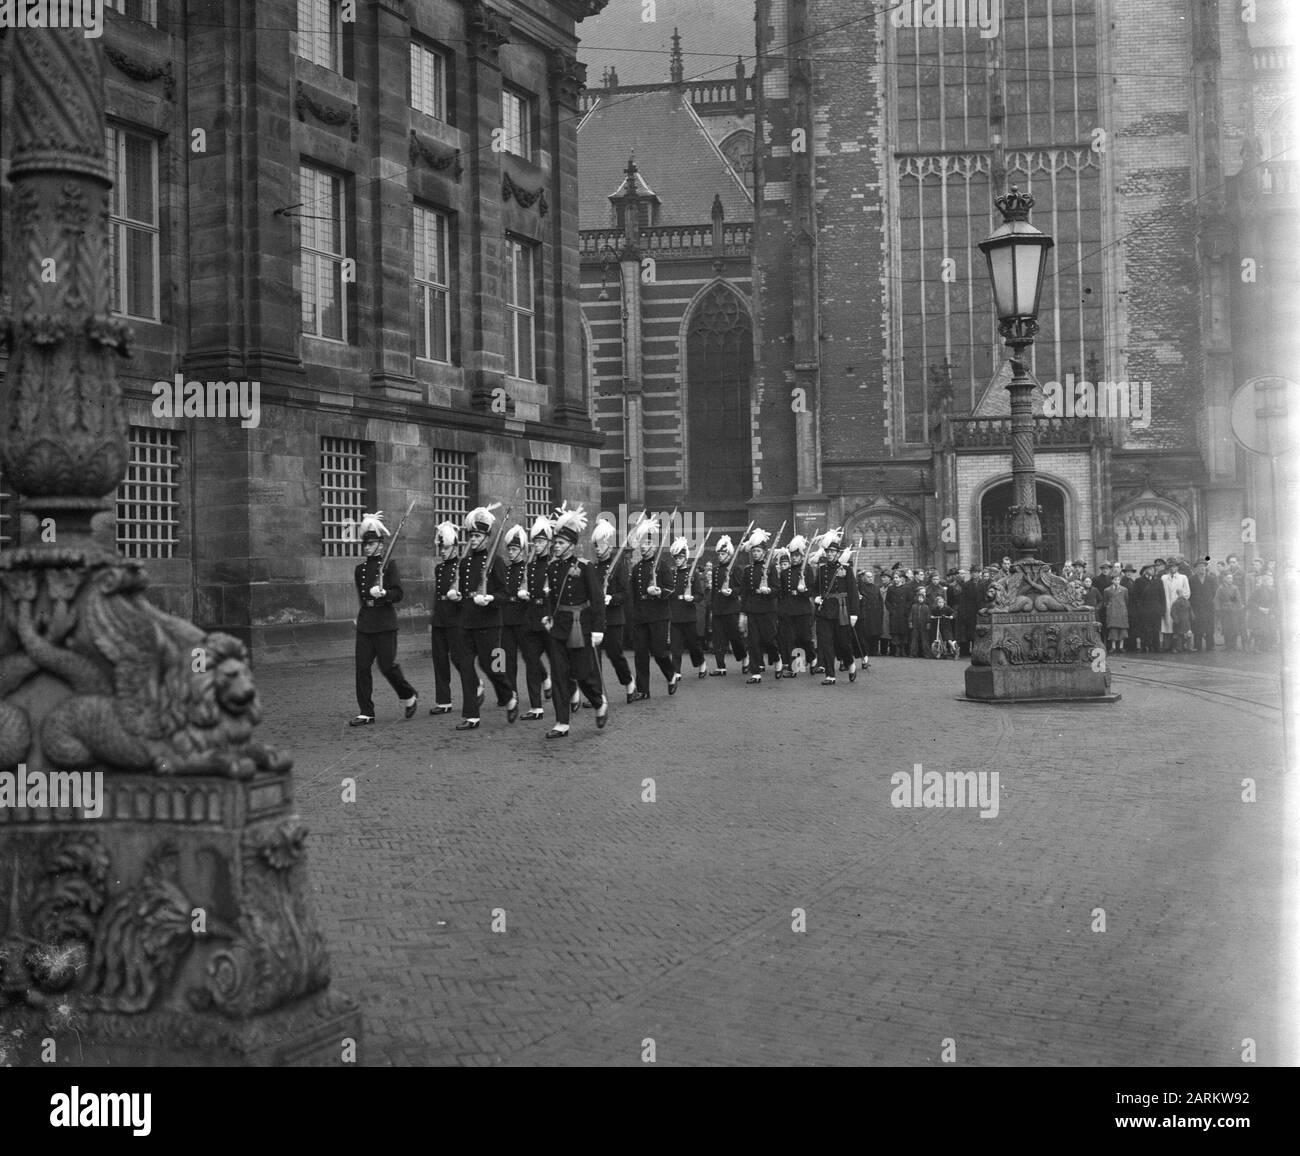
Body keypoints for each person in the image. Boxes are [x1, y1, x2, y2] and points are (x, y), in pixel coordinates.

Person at [541, 505, 607, 738]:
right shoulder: (552, 568)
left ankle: (599, 702)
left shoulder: (585, 567)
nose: (556, 546)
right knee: (559, 674)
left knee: (582, 674)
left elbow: (597, 600)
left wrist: (598, 629)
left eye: (560, 543)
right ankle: (562, 722)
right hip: (558, 628)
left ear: (571, 545)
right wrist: (547, 616)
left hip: (580, 626)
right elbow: (549, 595)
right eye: (555, 543)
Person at [453, 504, 519, 731]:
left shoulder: (497, 562)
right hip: (467, 621)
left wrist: (490, 598)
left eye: (478, 536)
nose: (473, 540)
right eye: (471, 536)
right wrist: (457, 595)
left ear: (487, 538)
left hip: (490, 623)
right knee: (466, 666)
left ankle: (509, 695)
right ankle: (471, 715)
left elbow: (506, 593)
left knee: (492, 665)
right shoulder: (465, 563)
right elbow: (463, 591)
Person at [349, 511, 419, 726]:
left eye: (371, 544)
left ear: (380, 545)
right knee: (362, 668)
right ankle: (366, 712)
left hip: (385, 623)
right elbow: (362, 598)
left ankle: (408, 695)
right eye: (365, 544)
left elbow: (398, 594)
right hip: (366, 623)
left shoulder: (389, 566)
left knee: (387, 666)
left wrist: (384, 594)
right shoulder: (359, 570)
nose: (367, 548)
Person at [627, 514, 677, 699]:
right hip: (641, 615)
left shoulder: (662, 566)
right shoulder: (637, 568)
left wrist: (659, 592)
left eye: (647, 543)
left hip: (658, 614)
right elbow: (632, 593)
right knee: (640, 654)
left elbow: (671, 588)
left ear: (654, 546)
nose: (643, 546)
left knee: (659, 652)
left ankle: (670, 674)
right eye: (642, 543)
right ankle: (643, 690)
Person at [591, 513, 635, 706]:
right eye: (595, 546)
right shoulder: (593, 568)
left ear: (607, 543)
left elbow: (626, 593)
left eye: (599, 545)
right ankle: (597, 693)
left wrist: (612, 598)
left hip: (614, 617)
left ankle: (628, 681)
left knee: (614, 654)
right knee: (594, 658)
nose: (597, 550)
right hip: (598, 619)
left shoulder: (619, 566)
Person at [739, 527, 787, 684]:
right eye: (754, 551)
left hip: (767, 608)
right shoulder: (748, 570)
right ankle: (756, 672)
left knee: (768, 639)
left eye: (758, 551)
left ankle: (777, 658)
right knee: (753, 641)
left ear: (764, 553)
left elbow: (778, 589)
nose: (755, 554)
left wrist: (769, 591)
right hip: (753, 608)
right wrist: (743, 613)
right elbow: (745, 592)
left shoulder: (771, 568)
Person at [812, 529, 861, 684]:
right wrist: (816, 597)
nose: (830, 554)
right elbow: (816, 588)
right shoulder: (821, 570)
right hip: (825, 611)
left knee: (843, 643)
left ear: (838, 554)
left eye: (833, 552)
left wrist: (854, 614)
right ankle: (830, 675)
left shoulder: (845, 570)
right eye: (828, 552)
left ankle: (850, 663)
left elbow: (853, 592)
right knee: (825, 643)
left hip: (842, 610)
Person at [427, 520, 464, 717]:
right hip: (440, 618)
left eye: (446, 547)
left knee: (458, 658)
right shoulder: (439, 569)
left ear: (455, 548)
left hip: (456, 618)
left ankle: (475, 685)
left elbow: (468, 595)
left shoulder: (462, 568)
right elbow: (436, 595)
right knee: (439, 660)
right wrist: (433, 619)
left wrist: (458, 597)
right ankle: (443, 701)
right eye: (441, 547)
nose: (442, 551)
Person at [667, 535, 707, 679]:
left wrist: (692, 598)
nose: (677, 560)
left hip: (688, 615)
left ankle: (701, 662)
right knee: (675, 646)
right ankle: (676, 671)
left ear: (685, 558)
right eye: (676, 557)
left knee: (693, 645)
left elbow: (700, 595)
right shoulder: (671, 574)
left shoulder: (693, 574)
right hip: (675, 614)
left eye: (680, 557)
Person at [777, 536, 816, 676]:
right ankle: (796, 667)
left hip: (803, 608)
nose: (794, 558)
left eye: (797, 556)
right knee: (792, 639)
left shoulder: (807, 570)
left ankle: (813, 658)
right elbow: (782, 593)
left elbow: (812, 590)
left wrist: (804, 590)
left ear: (801, 557)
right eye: (792, 556)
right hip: (789, 609)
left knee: (804, 638)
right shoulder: (785, 572)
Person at [708, 534, 747, 675]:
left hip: (731, 608)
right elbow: (714, 590)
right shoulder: (716, 570)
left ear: (729, 555)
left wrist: (732, 592)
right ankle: (720, 666)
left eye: (723, 553)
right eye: (719, 553)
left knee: (734, 637)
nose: (720, 556)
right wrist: (712, 606)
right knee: (718, 639)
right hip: (718, 607)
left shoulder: (736, 568)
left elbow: (741, 587)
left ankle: (744, 658)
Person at [1159, 559, 1191, 652]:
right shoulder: (1164, 578)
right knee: (1167, 625)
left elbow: (1187, 593)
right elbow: (1161, 591)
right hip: (1167, 605)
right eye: (1171, 567)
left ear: (1177, 567)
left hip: (1179, 607)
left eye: (1175, 566)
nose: (1173, 568)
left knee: (1178, 625)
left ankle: (1178, 646)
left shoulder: (1183, 578)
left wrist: (1180, 600)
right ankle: (1167, 646)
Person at [855, 563, 884, 659]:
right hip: (866, 614)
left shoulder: (875, 587)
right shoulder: (860, 586)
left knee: (875, 633)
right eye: (868, 577)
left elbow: (880, 600)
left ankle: (874, 650)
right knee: (866, 633)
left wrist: (880, 612)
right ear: (863, 578)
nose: (870, 578)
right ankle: (866, 650)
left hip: (875, 614)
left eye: (871, 577)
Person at [1188, 559, 1218, 652]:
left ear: (1206, 568)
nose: (1202, 569)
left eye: (1204, 567)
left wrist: (1212, 602)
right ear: (1196, 569)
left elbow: (1215, 592)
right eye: (1200, 567)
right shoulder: (1191, 579)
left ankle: (1210, 645)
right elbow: (1189, 594)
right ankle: (1198, 645)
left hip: (1208, 606)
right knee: (1197, 626)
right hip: (1196, 607)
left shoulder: (1211, 579)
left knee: (1209, 626)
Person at [1246, 572, 1277, 653]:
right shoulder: (1257, 590)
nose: (1270, 583)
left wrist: (1269, 610)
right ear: (1263, 582)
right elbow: (1250, 602)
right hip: (1257, 614)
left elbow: (1273, 602)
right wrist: (1260, 608)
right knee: (1257, 631)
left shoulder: (1272, 590)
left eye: (1271, 582)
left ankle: (1264, 646)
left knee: (1267, 630)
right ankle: (1255, 647)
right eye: (1268, 581)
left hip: (1267, 614)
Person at [1215, 572, 1245, 650]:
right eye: (1228, 578)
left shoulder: (1235, 588)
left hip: (1233, 610)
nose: (1230, 580)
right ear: (1224, 579)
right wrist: (1218, 609)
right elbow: (1217, 599)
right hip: (1224, 610)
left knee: (1234, 627)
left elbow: (1238, 599)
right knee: (1226, 627)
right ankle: (1227, 644)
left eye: (1231, 578)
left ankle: (1233, 644)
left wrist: (1239, 608)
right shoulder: (1220, 588)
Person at [886, 571, 912, 656]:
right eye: (894, 578)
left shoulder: (906, 588)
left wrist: (906, 610)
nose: (895, 579)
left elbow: (909, 600)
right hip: (894, 614)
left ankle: (903, 649)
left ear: (901, 578)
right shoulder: (891, 589)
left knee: (903, 632)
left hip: (903, 614)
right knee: (895, 632)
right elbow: (887, 601)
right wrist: (891, 610)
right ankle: (897, 650)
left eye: (897, 577)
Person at [1102, 575, 1129, 654]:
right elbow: (1105, 601)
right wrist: (1109, 607)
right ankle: (1113, 647)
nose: (1117, 581)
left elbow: (1127, 600)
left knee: (1123, 629)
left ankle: (1121, 646)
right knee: (1113, 629)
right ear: (1112, 581)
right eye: (1115, 580)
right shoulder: (1107, 590)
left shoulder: (1124, 590)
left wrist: (1123, 607)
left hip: (1122, 611)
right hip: (1112, 611)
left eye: (1118, 580)